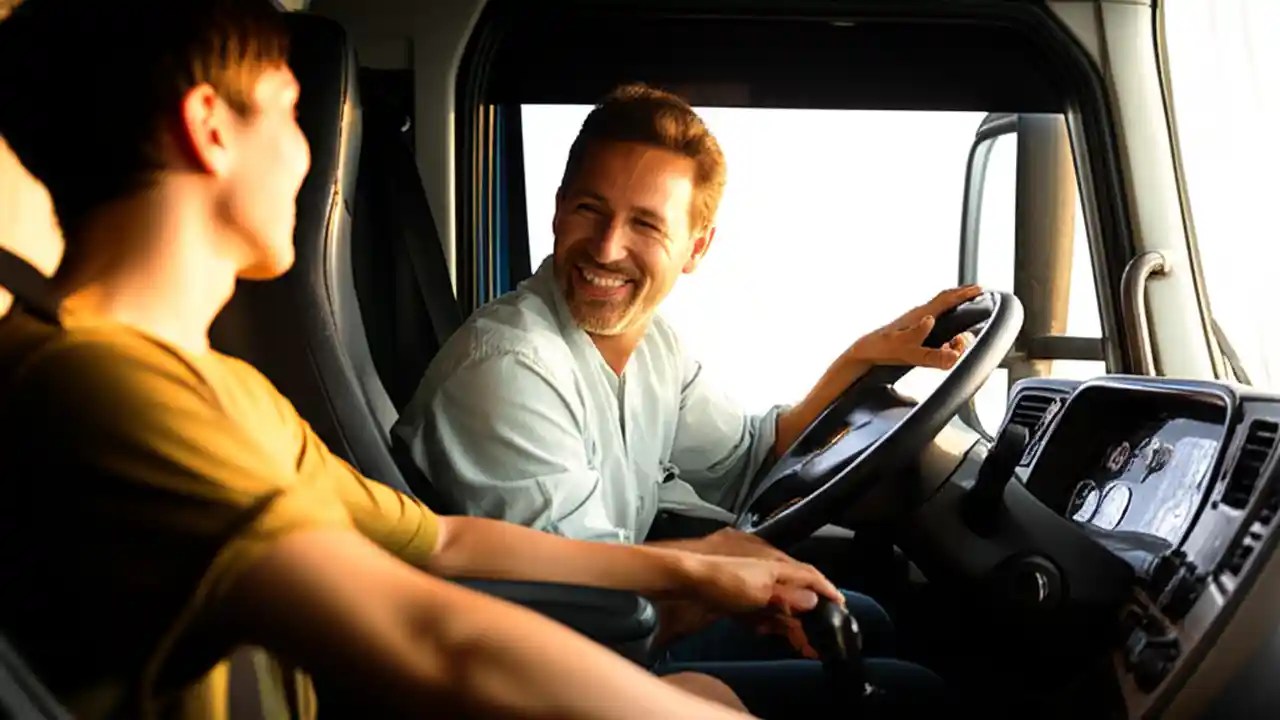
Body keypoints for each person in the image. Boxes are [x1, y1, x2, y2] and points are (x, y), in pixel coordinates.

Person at [0, 2, 849, 718]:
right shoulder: (103, 390)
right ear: (211, 129)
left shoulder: (223, 388)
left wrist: (687, 563)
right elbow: (435, 643)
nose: (311, 166)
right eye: (292, 115)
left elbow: (438, 541)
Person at [394, 83, 975, 715]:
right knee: (913, 695)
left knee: (860, 620)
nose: (608, 247)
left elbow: (744, 459)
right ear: (559, 212)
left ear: (696, 248)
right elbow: (573, 599)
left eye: (645, 223)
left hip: (618, 629)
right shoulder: (507, 368)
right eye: (591, 209)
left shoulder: (654, 346)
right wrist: (714, 583)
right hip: (552, 673)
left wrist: (857, 362)